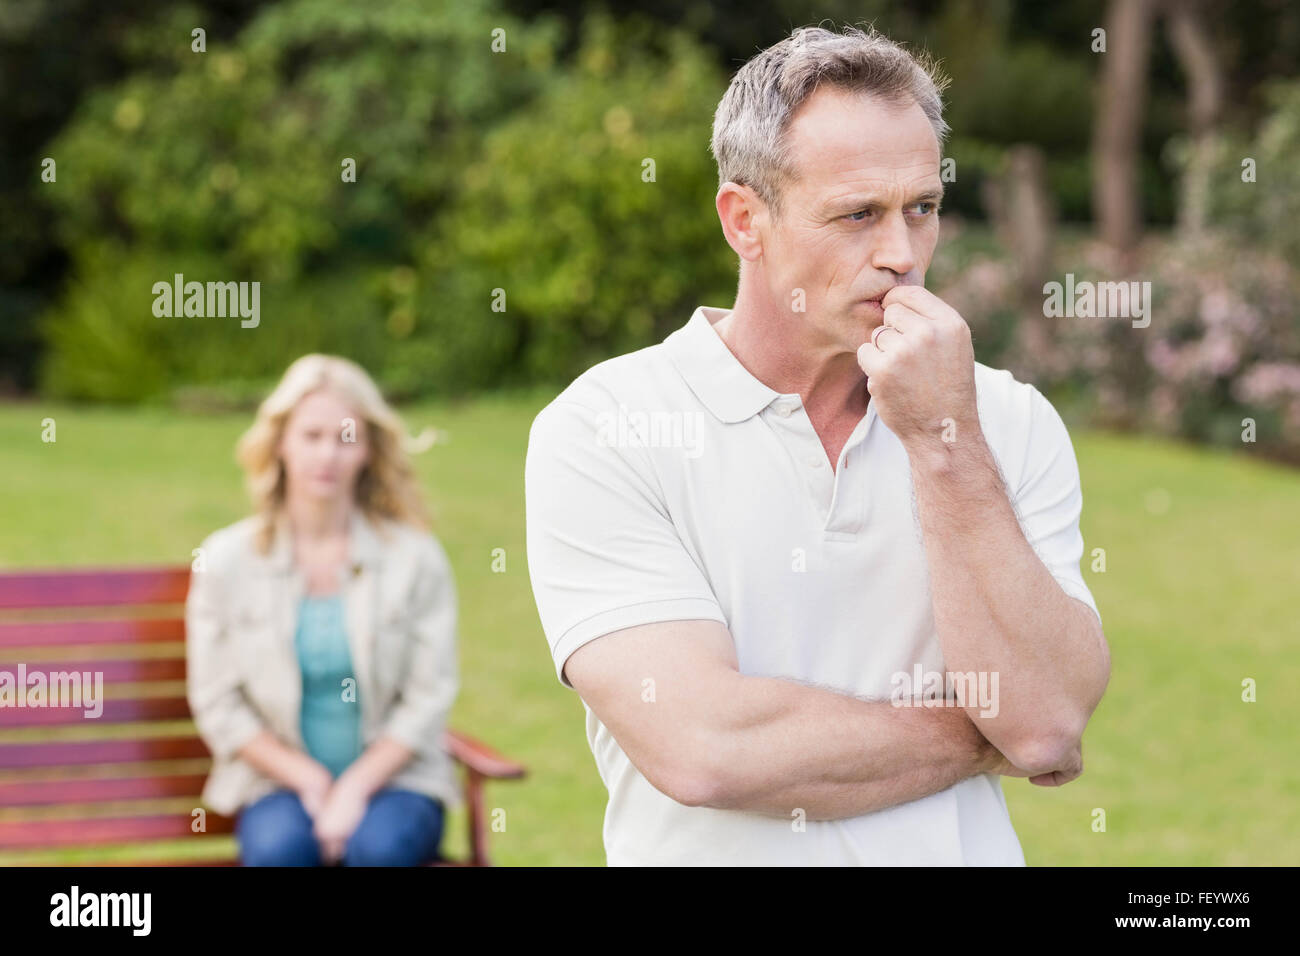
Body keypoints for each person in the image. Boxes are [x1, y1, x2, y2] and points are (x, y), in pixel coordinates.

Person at [524, 24, 1110, 865]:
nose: (902, 255)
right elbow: (704, 748)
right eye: (858, 215)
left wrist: (945, 445)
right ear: (744, 221)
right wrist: (987, 739)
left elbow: (1048, 717)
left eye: (923, 208)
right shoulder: (604, 426)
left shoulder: (1006, 422)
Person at [185, 354, 460, 866]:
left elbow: (429, 695)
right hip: (276, 784)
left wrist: (354, 788)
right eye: (311, 435)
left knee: (378, 850)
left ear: (369, 451)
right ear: (281, 443)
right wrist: (311, 781)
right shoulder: (226, 561)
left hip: (397, 783)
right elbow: (218, 702)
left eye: (346, 437)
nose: (328, 454)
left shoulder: (415, 558)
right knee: (279, 851)